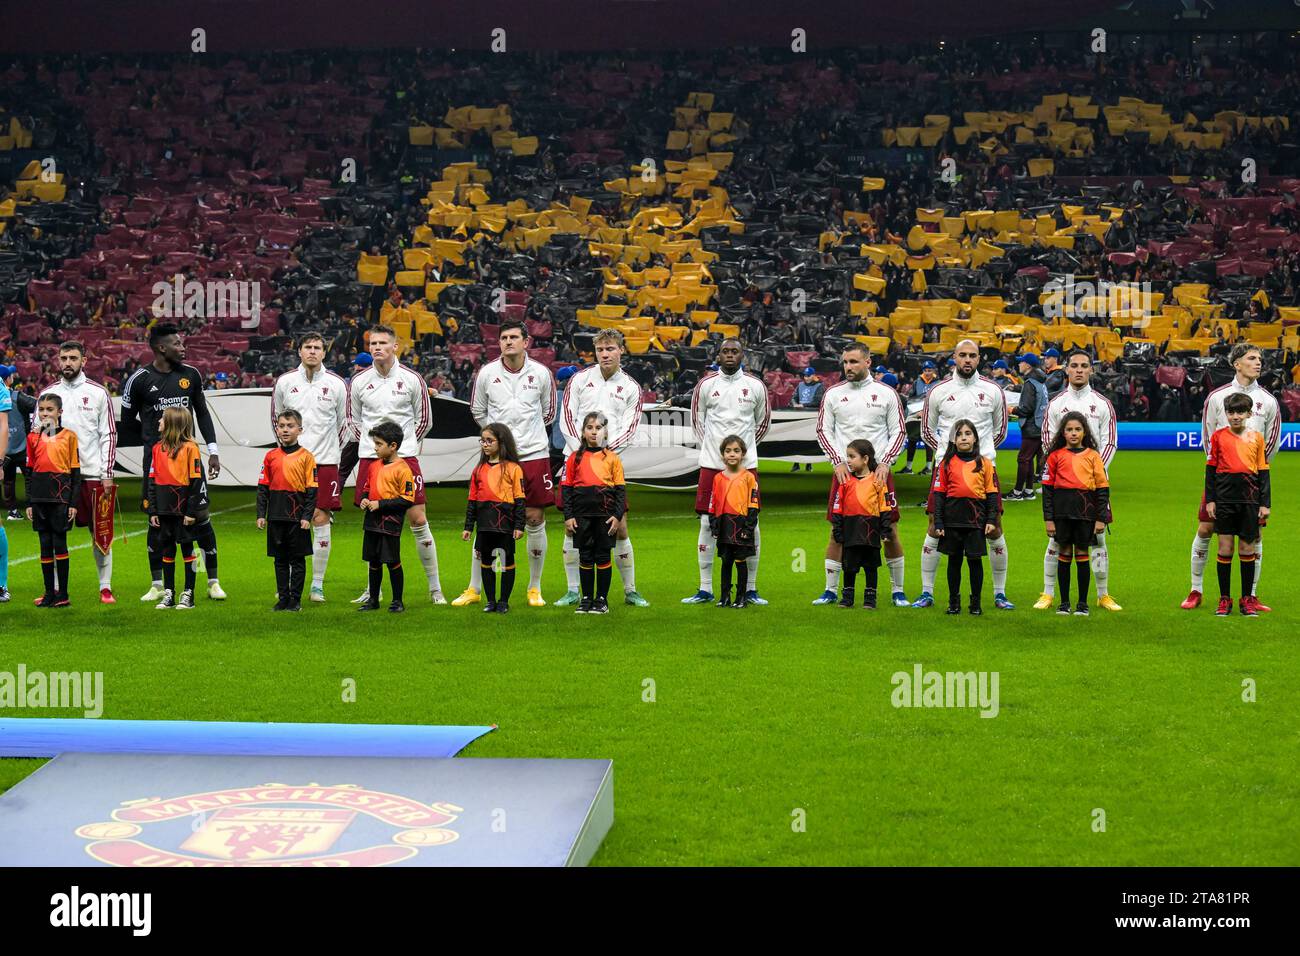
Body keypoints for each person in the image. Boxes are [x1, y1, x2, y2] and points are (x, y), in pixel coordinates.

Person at [121, 323, 225, 603]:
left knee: (200, 517)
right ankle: (158, 584)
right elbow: (127, 423)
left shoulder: (190, 375)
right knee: (157, 521)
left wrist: (212, 451)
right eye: (177, 344)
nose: (183, 347)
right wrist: (153, 442)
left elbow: (202, 413)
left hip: (189, 459)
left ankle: (213, 581)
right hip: (156, 464)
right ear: (161, 348)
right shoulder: (139, 379)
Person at [456, 321, 557, 608]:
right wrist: (497, 439)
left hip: (533, 453)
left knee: (535, 518)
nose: (508, 342)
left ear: (527, 342)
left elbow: (548, 412)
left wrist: (524, 437)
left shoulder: (541, 373)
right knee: (488, 521)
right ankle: (475, 588)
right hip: (498, 459)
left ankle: (534, 588)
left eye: (514, 337)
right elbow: (477, 410)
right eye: (503, 338)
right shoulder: (487, 373)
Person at [347, 325, 444, 605]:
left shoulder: (413, 379)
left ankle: (435, 588)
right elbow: (353, 421)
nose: (377, 347)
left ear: (395, 346)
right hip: (370, 458)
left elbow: (424, 420)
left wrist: (404, 448)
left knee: (418, 519)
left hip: (405, 459)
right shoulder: (359, 382)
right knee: (373, 525)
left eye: (382, 343)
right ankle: (372, 590)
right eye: (372, 343)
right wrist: (372, 448)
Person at [915, 339, 1012, 610]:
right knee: (935, 526)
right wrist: (951, 456)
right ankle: (927, 592)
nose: (967, 360)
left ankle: (1000, 593)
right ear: (954, 359)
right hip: (946, 468)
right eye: (962, 355)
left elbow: (1000, 430)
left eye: (972, 355)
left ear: (979, 359)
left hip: (982, 469)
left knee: (994, 529)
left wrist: (977, 456)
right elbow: (927, 430)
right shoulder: (938, 390)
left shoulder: (993, 390)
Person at [1183, 344, 1280, 613]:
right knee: (1205, 529)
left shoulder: (1268, 401)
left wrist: (1253, 471)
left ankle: (1251, 595)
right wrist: (1222, 472)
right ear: (1236, 363)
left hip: (1250, 482)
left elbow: (1271, 443)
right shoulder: (1217, 398)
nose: (1258, 363)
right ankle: (1196, 589)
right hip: (1222, 481)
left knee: (1254, 536)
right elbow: (1208, 439)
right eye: (1251, 358)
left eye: (1260, 359)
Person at [812, 344, 908, 607]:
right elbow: (823, 430)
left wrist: (886, 463)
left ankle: (898, 590)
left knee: (889, 531)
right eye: (845, 362)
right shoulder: (833, 393)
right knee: (837, 531)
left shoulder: (886, 394)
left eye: (854, 362)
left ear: (868, 361)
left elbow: (898, 432)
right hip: (844, 476)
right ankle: (831, 590)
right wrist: (836, 460)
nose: (848, 367)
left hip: (877, 475)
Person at [557, 329, 646, 607]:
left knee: (619, 527)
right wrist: (581, 452)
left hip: (610, 465)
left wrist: (604, 454)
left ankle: (630, 590)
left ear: (621, 350)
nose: (605, 354)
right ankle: (574, 590)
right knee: (572, 526)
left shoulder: (631, 388)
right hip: (576, 460)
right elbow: (568, 419)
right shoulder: (579, 380)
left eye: (610, 349)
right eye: (600, 350)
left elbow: (630, 429)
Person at [682, 338, 770, 606]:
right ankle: (705, 588)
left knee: (750, 523)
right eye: (725, 352)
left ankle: (751, 589)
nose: (730, 355)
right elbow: (697, 420)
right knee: (708, 522)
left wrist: (741, 452)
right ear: (717, 356)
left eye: (735, 351)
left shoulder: (755, 386)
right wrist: (715, 450)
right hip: (711, 464)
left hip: (746, 467)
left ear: (743, 355)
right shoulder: (706, 385)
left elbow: (762, 422)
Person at [1033, 349, 1120, 611]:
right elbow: (1047, 440)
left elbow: (1110, 441)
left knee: (1098, 538)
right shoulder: (1056, 404)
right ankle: (1048, 593)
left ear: (1091, 370)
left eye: (1084, 365)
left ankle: (1102, 594)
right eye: (1074, 365)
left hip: (1093, 486)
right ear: (1066, 370)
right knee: (1056, 540)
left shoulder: (1103, 404)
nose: (1079, 369)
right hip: (1063, 488)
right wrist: (1067, 469)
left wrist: (1091, 470)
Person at [271, 333, 349, 603]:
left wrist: (327, 451)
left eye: (317, 348)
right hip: (292, 461)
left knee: (319, 517)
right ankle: (288, 583)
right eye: (308, 347)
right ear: (299, 351)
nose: (313, 352)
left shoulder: (337, 384)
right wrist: (291, 452)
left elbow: (344, 424)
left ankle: (316, 585)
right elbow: (277, 419)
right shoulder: (285, 382)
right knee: (290, 518)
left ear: (324, 353)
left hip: (325, 461)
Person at [40, 341, 119, 604]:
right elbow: (41, 437)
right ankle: (53, 590)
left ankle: (105, 587)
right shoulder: (47, 395)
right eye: (63, 358)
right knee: (53, 536)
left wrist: (107, 471)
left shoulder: (98, 393)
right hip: (57, 477)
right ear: (58, 361)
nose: (67, 363)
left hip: (93, 475)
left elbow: (108, 434)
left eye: (73, 358)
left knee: (101, 534)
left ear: (84, 361)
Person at [1204, 392, 1271, 617]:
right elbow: (1210, 470)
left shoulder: (1257, 438)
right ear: (1226, 414)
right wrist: (1211, 500)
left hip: (1250, 501)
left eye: (1240, 412)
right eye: (1231, 412)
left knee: (1246, 548)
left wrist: (1265, 503)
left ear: (1249, 413)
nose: (1235, 416)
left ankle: (1246, 599)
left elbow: (1263, 471)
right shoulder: (1218, 437)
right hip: (1224, 499)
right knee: (1225, 548)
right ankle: (1225, 599)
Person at [1041, 411, 1111, 616]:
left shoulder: (1093, 456)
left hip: (1085, 514)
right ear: (1063, 433)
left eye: (1077, 429)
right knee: (1064, 554)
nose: (1073, 433)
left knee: (1081, 555)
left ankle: (1082, 603)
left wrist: (1100, 518)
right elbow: (1047, 491)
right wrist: (1049, 519)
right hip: (1062, 514)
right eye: (1069, 429)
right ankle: (1064, 603)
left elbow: (1102, 490)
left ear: (1084, 432)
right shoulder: (1055, 456)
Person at [561, 411, 626, 614]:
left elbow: (620, 491)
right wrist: (569, 516)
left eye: (598, 428)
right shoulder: (574, 459)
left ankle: (602, 600)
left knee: (603, 556)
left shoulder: (613, 459)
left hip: (605, 517)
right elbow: (566, 489)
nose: (594, 432)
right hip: (581, 517)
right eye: (589, 428)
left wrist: (617, 516)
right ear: (582, 432)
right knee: (585, 556)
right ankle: (586, 599)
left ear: (605, 432)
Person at [930, 419, 995, 616]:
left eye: (968, 433)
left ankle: (975, 602)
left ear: (975, 438)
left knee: (975, 561)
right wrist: (939, 521)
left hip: (976, 519)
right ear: (953, 440)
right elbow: (939, 495)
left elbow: (991, 493)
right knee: (954, 561)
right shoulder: (946, 463)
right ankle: (953, 601)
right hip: (952, 519)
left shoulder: (984, 463)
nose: (964, 437)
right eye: (959, 434)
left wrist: (991, 519)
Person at [146, 407, 209, 610]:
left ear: (172, 424)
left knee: (188, 550)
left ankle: (188, 593)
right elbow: (152, 481)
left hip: (184, 512)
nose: (159, 423)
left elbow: (196, 482)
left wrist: (191, 512)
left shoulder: (191, 448)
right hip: (164, 511)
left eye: (162, 420)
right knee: (167, 549)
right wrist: (153, 510)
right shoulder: (157, 449)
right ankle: (169, 593)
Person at [256, 408, 318, 613]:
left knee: (297, 560)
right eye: (281, 426)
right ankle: (282, 598)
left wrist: (307, 516)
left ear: (299, 430)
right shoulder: (270, 456)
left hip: (297, 517)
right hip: (275, 516)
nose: (285, 430)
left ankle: (295, 600)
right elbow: (263, 488)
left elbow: (312, 490)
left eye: (290, 426)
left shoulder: (307, 457)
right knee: (279, 560)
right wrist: (261, 514)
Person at [462, 422, 526, 614]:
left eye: (490, 440)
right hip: (484, 524)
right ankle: (490, 601)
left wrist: (519, 525)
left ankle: (503, 601)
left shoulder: (514, 469)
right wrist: (468, 527)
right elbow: (472, 500)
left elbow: (520, 500)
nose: (485, 444)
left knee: (506, 562)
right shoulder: (479, 469)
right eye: (483, 440)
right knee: (486, 562)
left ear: (501, 442)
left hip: (505, 524)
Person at [25, 393, 80, 608]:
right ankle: (49, 593)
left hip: (60, 500)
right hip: (40, 499)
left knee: (59, 543)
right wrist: (30, 502)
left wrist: (72, 503)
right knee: (44, 545)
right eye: (42, 409)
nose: (45, 413)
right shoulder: (33, 437)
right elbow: (29, 473)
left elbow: (76, 473)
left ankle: (63, 594)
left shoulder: (69, 436)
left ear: (60, 412)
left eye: (49, 409)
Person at [357, 420, 415, 614]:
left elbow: (407, 498)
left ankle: (397, 601)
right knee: (373, 561)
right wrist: (365, 499)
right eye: (375, 444)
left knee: (392, 561)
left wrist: (380, 504)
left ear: (393, 446)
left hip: (390, 523)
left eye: (379, 444)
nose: (375, 448)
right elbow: (367, 489)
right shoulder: (373, 466)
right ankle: (373, 599)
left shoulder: (403, 468)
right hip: (371, 522)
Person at [830, 438, 891, 609]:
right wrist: (838, 530)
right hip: (851, 530)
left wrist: (885, 530)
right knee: (849, 567)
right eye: (847, 456)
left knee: (871, 567)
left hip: (871, 532)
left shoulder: (877, 482)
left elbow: (885, 508)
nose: (848, 460)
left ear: (865, 459)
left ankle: (870, 599)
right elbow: (837, 508)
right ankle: (847, 597)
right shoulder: (845, 483)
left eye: (852, 456)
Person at [707, 434, 760, 609]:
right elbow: (713, 503)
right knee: (725, 560)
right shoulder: (717, 478)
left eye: (736, 451)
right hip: (724, 525)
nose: (732, 454)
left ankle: (741, 597)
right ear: (722, 455)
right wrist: (714, 524)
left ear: (743, 454)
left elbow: (754, 504)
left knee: (740, 560)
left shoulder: (749, 477)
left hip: (741, 524)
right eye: (728, 451)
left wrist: (749, 527)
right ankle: (724, 597)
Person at [1008, 352, 1047, 500]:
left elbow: (1026, 409)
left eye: (1021, 362)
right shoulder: (1040, 381)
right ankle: (1029, 491)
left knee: (1023, 459)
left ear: (1028, 365)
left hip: (1031, 427)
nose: (1019, 364)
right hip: (1040, 425)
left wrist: (1011, 409)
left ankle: (1017, 492)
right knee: (1029, 459)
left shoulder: (1030, 383)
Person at [898, 360, 938, 475]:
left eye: (929, 370)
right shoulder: (917, 382)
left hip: (930, 414)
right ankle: (909, 467)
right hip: (916, 413)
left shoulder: (937, 383)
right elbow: (911, 397)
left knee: (928, 439)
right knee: (912, 439)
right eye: (925, 370)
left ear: (934, 370)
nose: (927, 373)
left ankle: (928, 468)